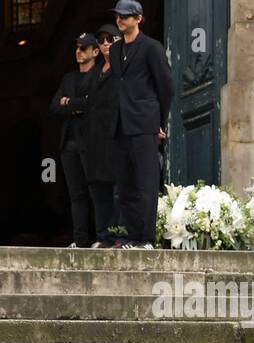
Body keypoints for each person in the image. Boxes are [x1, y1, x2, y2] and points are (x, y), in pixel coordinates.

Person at [109, 0, 172, 249]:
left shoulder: (152, 48)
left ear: (138, 19)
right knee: (124, 187)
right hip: (120, 126)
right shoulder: (114, 51)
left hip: (144, 124)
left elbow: (166, 87)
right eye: (118, 16)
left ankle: (145, 239)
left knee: (146, 184)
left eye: (125, 16)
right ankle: (130, 237)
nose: (120, 20)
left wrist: (159, 121)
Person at [50, 34, 101, 248]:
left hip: (91, 142)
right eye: (77, 47)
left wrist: (69, 102)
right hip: (68, 145)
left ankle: (101, 239)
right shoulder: (68, 78)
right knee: (76, 195)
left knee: (97, 192)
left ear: (95, 52)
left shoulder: (100, 75)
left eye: (84, 48)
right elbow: (54, 107)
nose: (78, 51)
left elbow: (95, 104)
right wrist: (78, 105)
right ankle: (80, 241)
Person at [85, 25, 122, 248]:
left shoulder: (125, 68)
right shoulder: (94, 73)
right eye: (101, 40)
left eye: (110, 39)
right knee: (99, 191)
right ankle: (103, 236)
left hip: (117, 137)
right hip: (95, 140)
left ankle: (119, 235)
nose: (105, 43)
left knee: (119, 190)